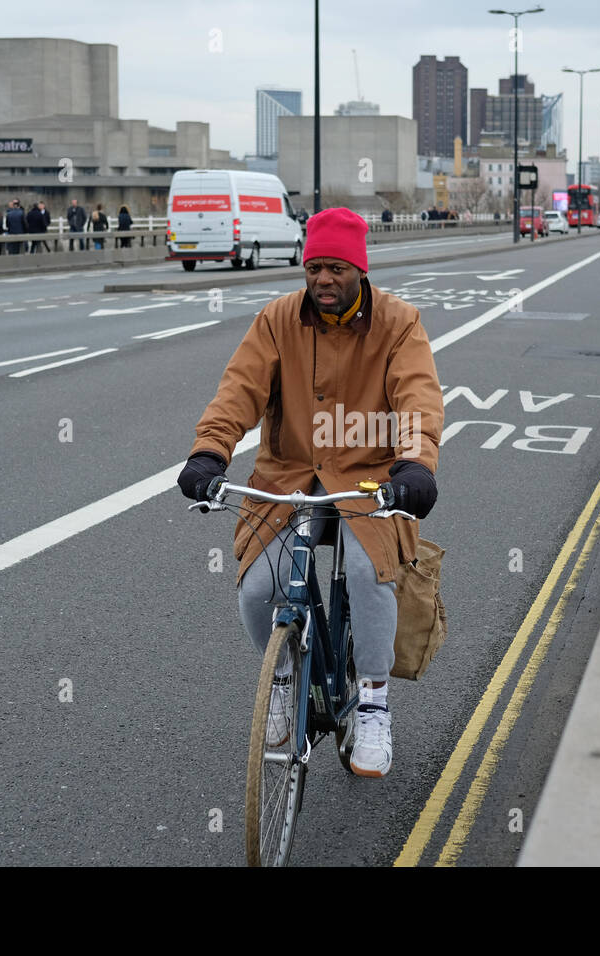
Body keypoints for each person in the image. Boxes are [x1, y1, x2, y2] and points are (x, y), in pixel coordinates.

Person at [176, 208, 443, 778]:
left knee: (372, 575)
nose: (323, 279)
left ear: (359, 270)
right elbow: (238, 392)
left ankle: (372, 702)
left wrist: (416, 466)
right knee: (257, 589)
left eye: (337, 268)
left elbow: (418, 399)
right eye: (315, 266)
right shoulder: (277, 320)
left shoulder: (398, 323)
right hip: (288, 477)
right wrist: (209, 453)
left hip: (369, 480)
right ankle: (283, 678)